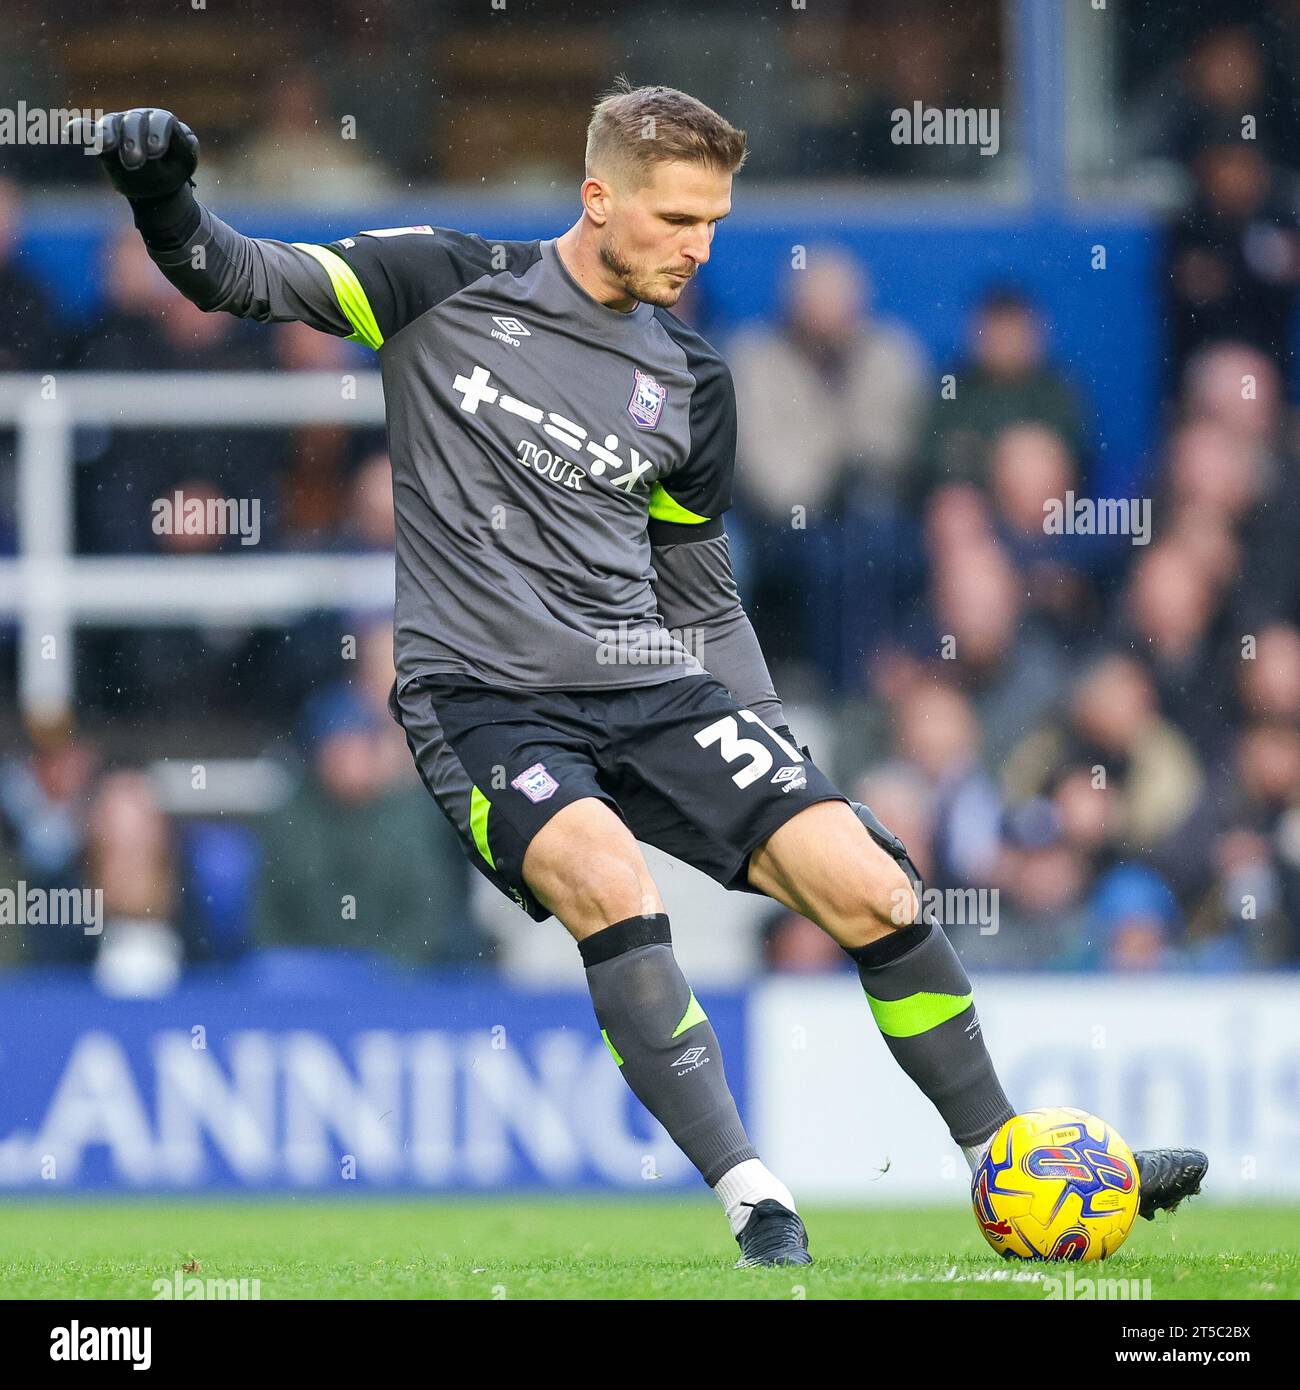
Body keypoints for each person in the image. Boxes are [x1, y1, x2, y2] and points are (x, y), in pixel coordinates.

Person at [76, 83, 1206, 1267]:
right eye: (674, 217)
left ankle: (1011, 1159)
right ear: (597, 196)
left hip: (652, 684)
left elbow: (702, 596)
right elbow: (233, 274)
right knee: (613, 885)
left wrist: (781, 758)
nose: (696, 246)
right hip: (484, 698)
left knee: (873, 886)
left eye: (712, 220)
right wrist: (165, 201)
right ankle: (756, 1198)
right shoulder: (440, 279)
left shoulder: (689, 383)